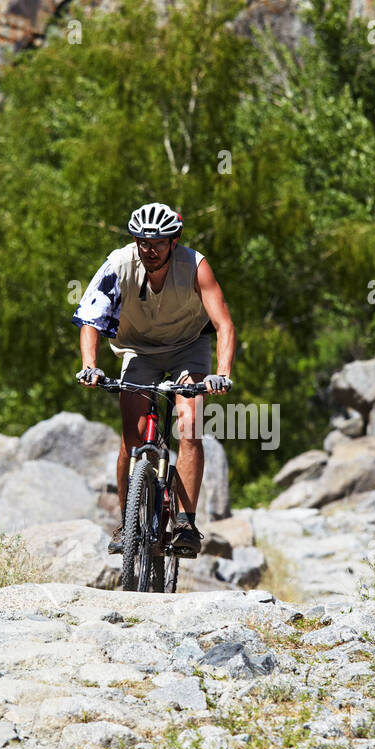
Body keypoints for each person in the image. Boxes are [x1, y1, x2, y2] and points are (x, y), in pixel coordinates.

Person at [74, 202, 237, 557]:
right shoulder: (118, 264)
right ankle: (126, 523)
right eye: (143, 243)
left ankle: (185, 523)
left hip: (188, 347)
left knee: (189, 424)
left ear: (173, 241)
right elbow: (91, 318)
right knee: (130, 440)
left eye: (158, 243)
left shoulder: (196, 266)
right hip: (137, 350)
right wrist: (90, 365)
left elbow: (224, 324)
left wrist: (221, 375)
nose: (150, 250)